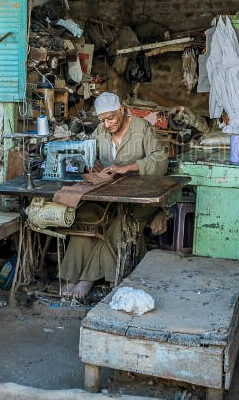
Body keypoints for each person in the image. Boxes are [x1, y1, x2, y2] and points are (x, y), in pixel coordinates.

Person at [59, 92, 168, 298]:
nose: (107, 124)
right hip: (109, 195)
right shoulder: (100, 132)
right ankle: (70, 277)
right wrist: (93, 165)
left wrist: (127, 167)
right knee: (87, 217)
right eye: (103, 120)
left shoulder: (141, 127)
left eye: (111, 118)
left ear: (122, 110)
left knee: (119, 223)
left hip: (141, 197)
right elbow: (88, 157)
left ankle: (88, 279)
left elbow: (160, 160)